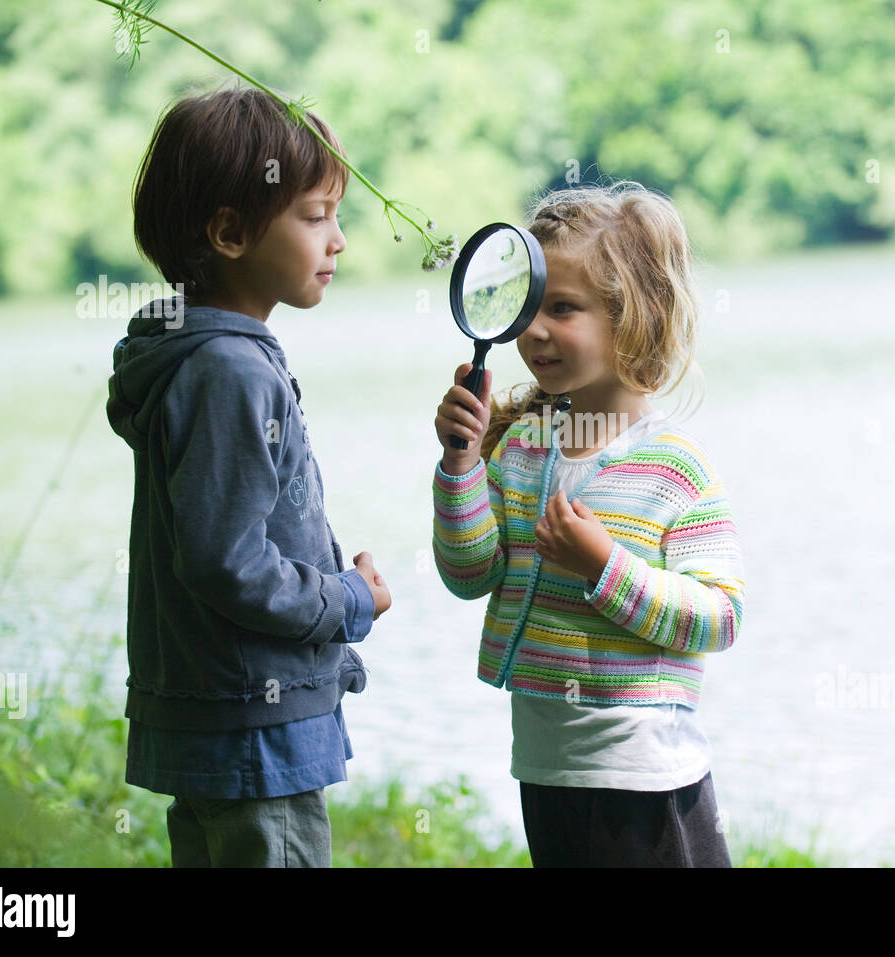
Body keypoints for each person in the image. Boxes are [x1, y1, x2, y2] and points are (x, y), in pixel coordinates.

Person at [106, 84, 392, 867]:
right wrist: (348, 599)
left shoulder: (198, 357)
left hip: (216, 714)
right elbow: (226, 561)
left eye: (336, 214)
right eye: (313, 216)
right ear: (230, 232)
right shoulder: (230, 369)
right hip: (253, 726)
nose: (337, 240)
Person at [431, 180, 746, 867]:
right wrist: (459, 462)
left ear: (633, 317)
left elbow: (720, 616)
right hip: (546, 767)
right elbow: (470, 572)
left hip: (644, 776)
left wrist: (604, 566)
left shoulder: (673, 468)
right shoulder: (520, 448)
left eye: (564, 308)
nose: (535, 330)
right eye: (527, 310)